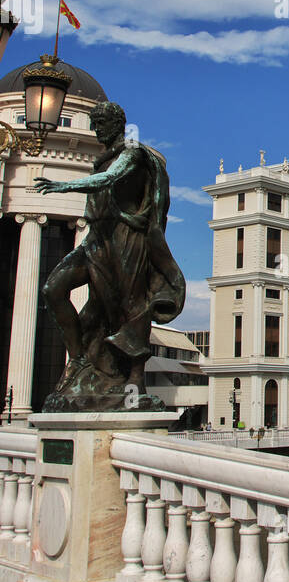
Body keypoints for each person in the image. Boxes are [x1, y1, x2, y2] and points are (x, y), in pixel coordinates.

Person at [34, 101, 185, 412]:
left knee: (129, 307)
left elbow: (109, 179)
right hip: (97, 237)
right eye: (94, 124)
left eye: (100, 124)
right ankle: (78, 359)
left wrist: (63, 186)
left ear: (117, 124)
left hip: (126, 238)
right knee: (53, 289)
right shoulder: (105, 156)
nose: (96, 130)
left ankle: (135, 380)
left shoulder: (130, 152)